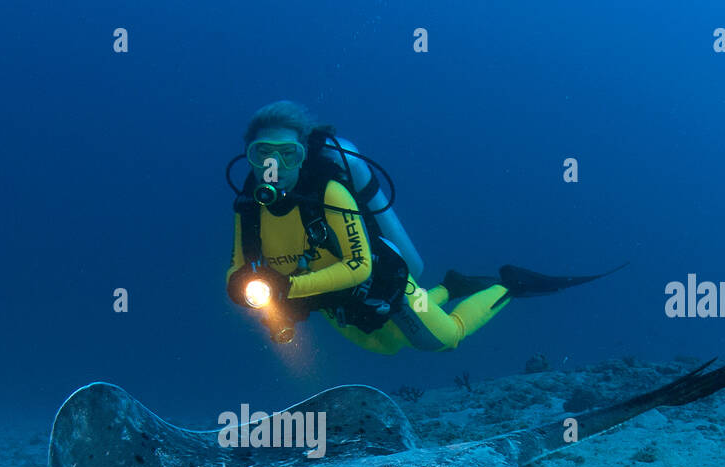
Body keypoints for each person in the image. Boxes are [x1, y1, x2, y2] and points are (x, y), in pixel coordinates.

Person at [225, 101, 624, 354]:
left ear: (302, 155)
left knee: (443, 338)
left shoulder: (329, 191)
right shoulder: (247, 205)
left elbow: (360, 266)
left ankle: (511, 284)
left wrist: (288, 287)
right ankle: (452, 285)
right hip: (332, 300)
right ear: (249, 157)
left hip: (388, 286)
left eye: (287, 153)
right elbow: (239, 264)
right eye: (263, 153)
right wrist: (238, 284)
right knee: (387, 347)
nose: (274, 166)